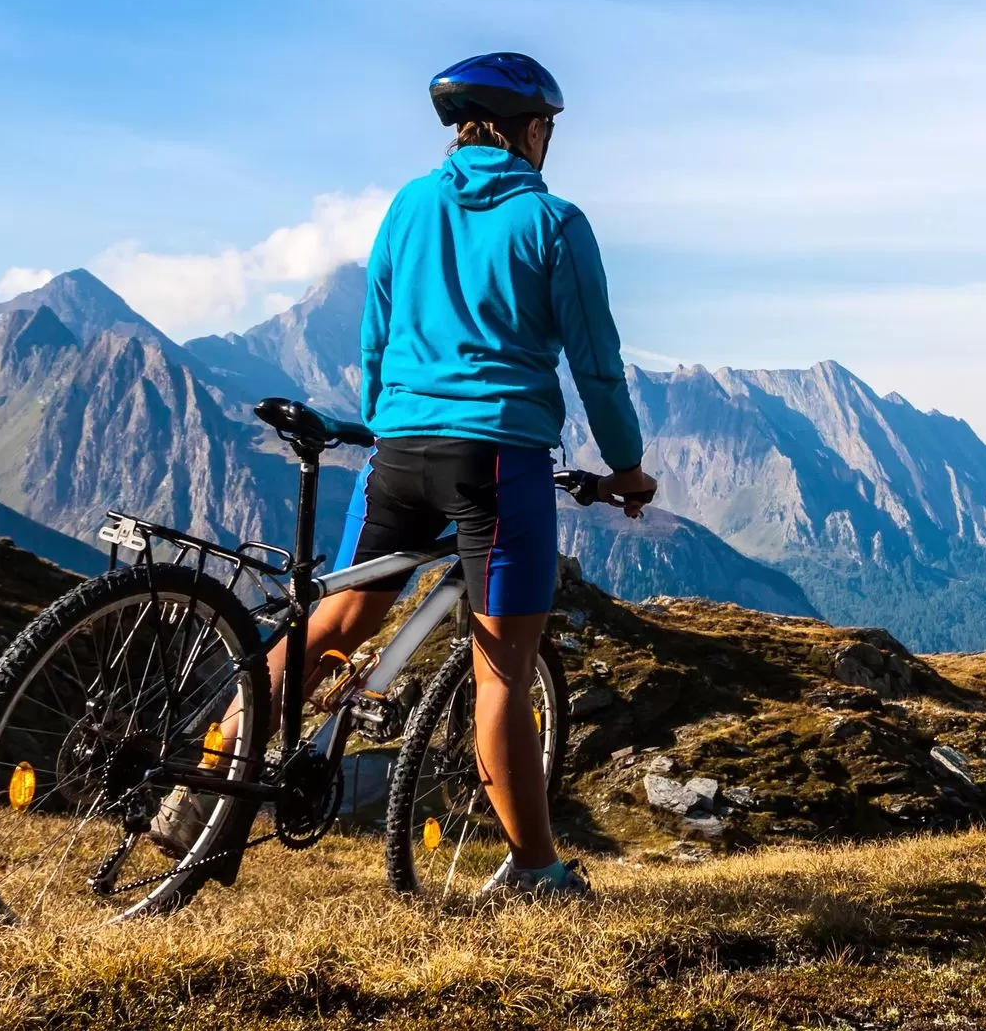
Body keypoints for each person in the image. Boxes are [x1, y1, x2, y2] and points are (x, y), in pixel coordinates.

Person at [154, 51, 657, 900]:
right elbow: (596, 364)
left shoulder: (409, 204)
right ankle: (537, 871)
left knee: (330, 626)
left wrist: (390, 419)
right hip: (497, 461)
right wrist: (628, 469)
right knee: (502, 671)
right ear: (531, 129)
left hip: (398, 453)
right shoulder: (555, 222)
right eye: (550, 130)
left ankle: (204, 782)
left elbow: (375, 342)